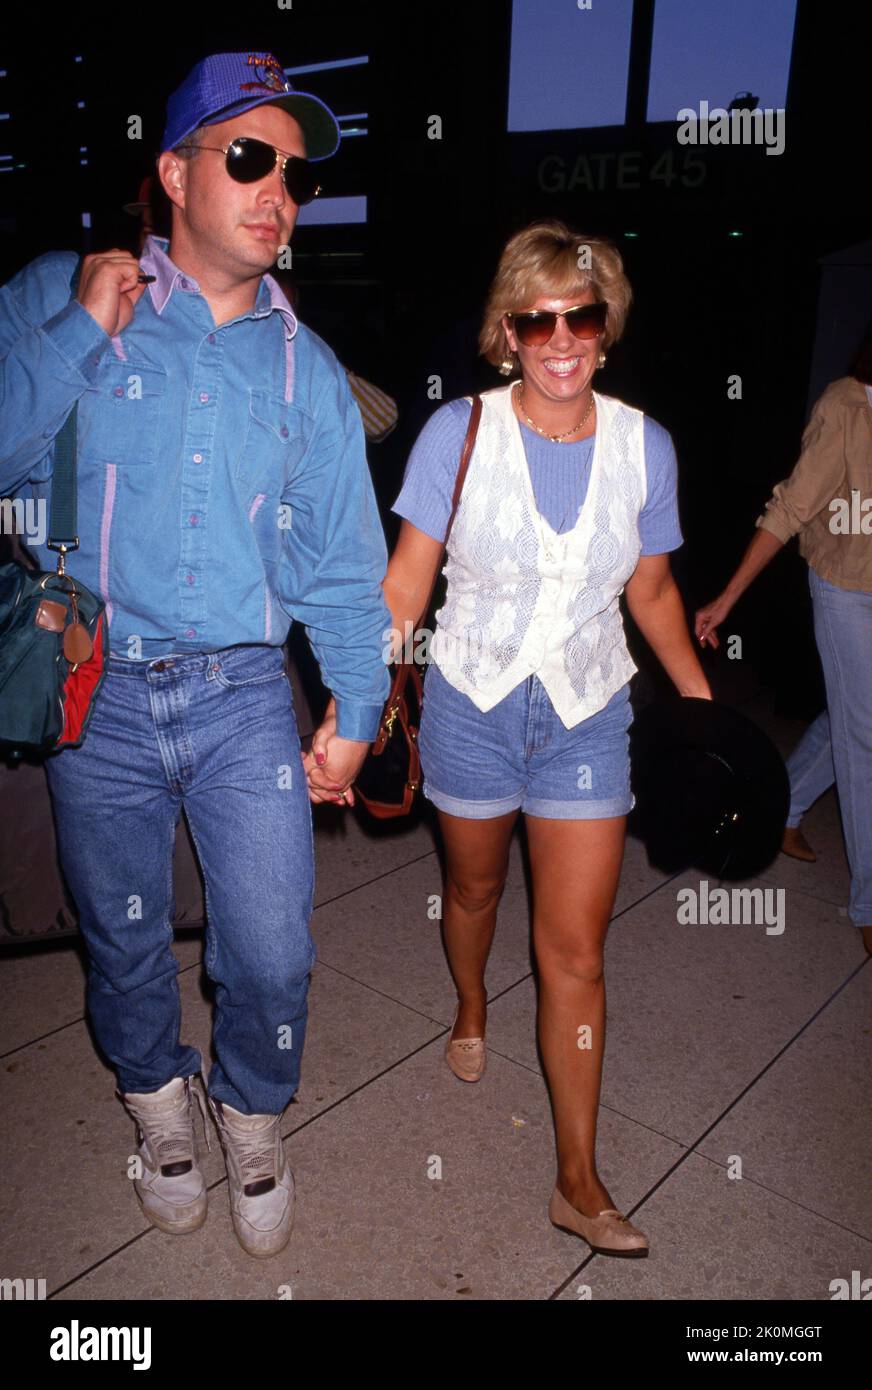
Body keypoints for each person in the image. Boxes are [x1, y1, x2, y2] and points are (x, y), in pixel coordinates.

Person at [0, 50, 393, 1257]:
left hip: (238, 695)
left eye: (294, 170)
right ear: (174, 171)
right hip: (97, 685)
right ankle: (159, 1105)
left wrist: (358, 706)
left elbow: (340, 563)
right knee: (119, 932)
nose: (279, 186)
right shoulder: (58, 295)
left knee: (271, 948)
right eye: (248, 157)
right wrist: (78, 334)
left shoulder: (306, 371)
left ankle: (250, 1107)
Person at [305, 220, 714, 1255]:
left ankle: (577, 1181)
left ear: (605, 324)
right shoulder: (458, 433)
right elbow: (404, 585)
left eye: (580, 314)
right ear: (506, 330)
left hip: (586, 716)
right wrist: (350, 708)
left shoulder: (642, 445)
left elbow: (652, 590)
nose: (560, 336)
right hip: (471, 708)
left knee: (575, 954)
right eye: (537, 318)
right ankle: (470, 1003)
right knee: (476, 892)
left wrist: (704, 712)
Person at [695, 334, 872, 957]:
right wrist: (727, 599)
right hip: (848, 589)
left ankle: (781, 809)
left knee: (854, 714)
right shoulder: (847, 408)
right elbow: (791, 507)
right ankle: (870, 901)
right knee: (866, 735)